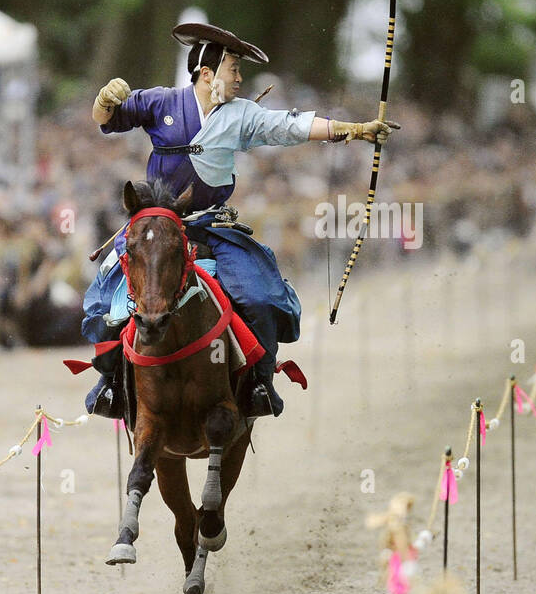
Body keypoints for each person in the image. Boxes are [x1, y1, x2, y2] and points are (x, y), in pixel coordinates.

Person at [81, 21, 398, 419]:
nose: (239, 77)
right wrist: (104, 99)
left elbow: (290, 125)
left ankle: (261, 382)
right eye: (233, 69)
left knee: (260, 296)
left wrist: (354, 130)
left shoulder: (241, 115)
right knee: (104, 299)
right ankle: (110, 383)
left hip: (212, 227)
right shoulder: (161, 102)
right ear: (207, 74)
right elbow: (106, 120)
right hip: (159, 228)